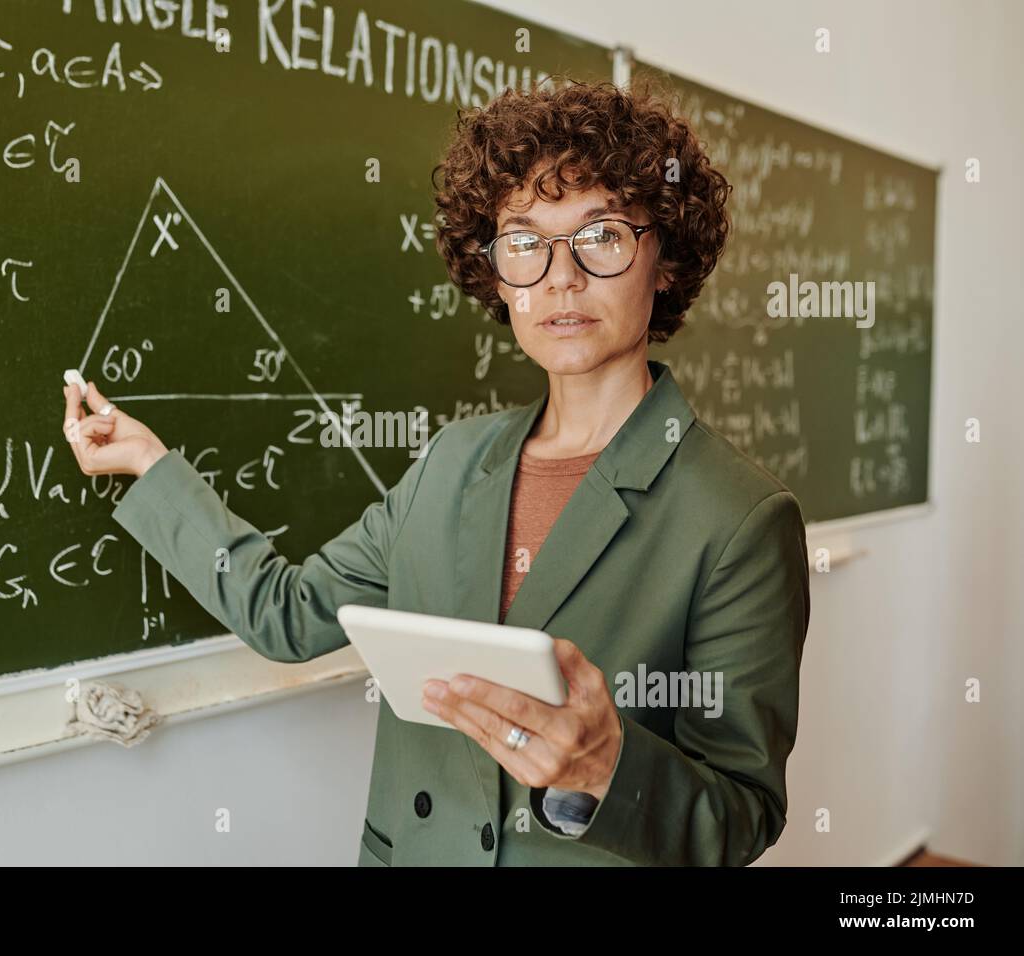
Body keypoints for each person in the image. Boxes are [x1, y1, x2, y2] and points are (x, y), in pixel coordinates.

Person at [61, 79, 810, 866]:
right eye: (525, 241)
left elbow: (742, 812)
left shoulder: (739, 517)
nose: (560, 277)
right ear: (496, 272)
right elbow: (288, 613)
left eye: (602, 236)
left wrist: (608, 772)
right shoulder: (452, 464)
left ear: (664, 259)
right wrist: (148, 467)